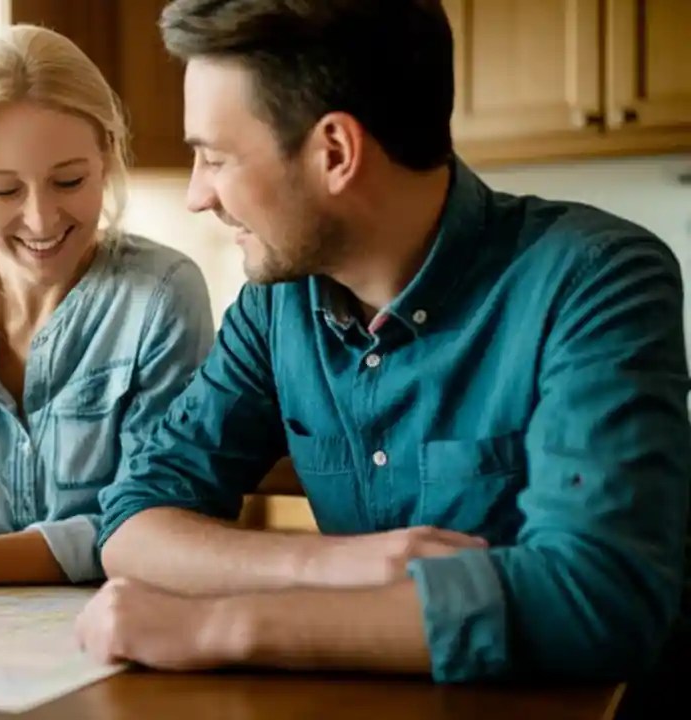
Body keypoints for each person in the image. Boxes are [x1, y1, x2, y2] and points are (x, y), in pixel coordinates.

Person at [73, 0, 691, 701]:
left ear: (335, 152)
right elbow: (132, 519)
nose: (196, 194)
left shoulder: (595, 278)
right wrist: (341, 565)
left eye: (214, 157)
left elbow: (599, 595)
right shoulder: (277, 308)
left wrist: (221, 628)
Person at [0, 24, 215, 588]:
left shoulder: (162, 296)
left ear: (107, 157)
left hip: (112, 618)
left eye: (68, 181)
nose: (41, 220)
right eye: (5, 191)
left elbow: (148, 522)